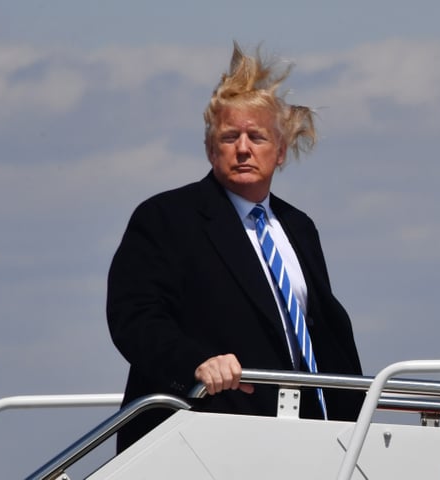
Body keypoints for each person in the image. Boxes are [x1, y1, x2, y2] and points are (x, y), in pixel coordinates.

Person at [106, 42, 363, 452]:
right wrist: (196, 363)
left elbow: (323, 333)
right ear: (211, 150)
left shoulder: (299, 227)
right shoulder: (166, 218)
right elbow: (134, 318)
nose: (243, 148)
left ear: (280, 151)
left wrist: (360, 413)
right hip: (201, 437)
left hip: (304, 439)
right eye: (230, 137)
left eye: (257, 136)